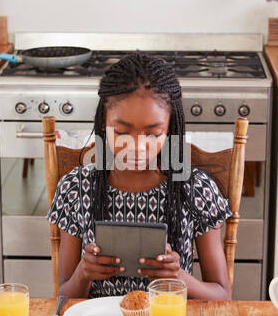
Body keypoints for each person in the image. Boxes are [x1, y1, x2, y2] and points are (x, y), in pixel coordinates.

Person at [48, 52, 232, 300]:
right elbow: (62, 297)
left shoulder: (195, 189)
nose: (137, 146)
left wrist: (179, 278)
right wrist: (83, 273)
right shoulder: (76, 188)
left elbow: (223, 296)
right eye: (122, 131)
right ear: (103, 122)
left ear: (170, 129)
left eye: (153, 134)